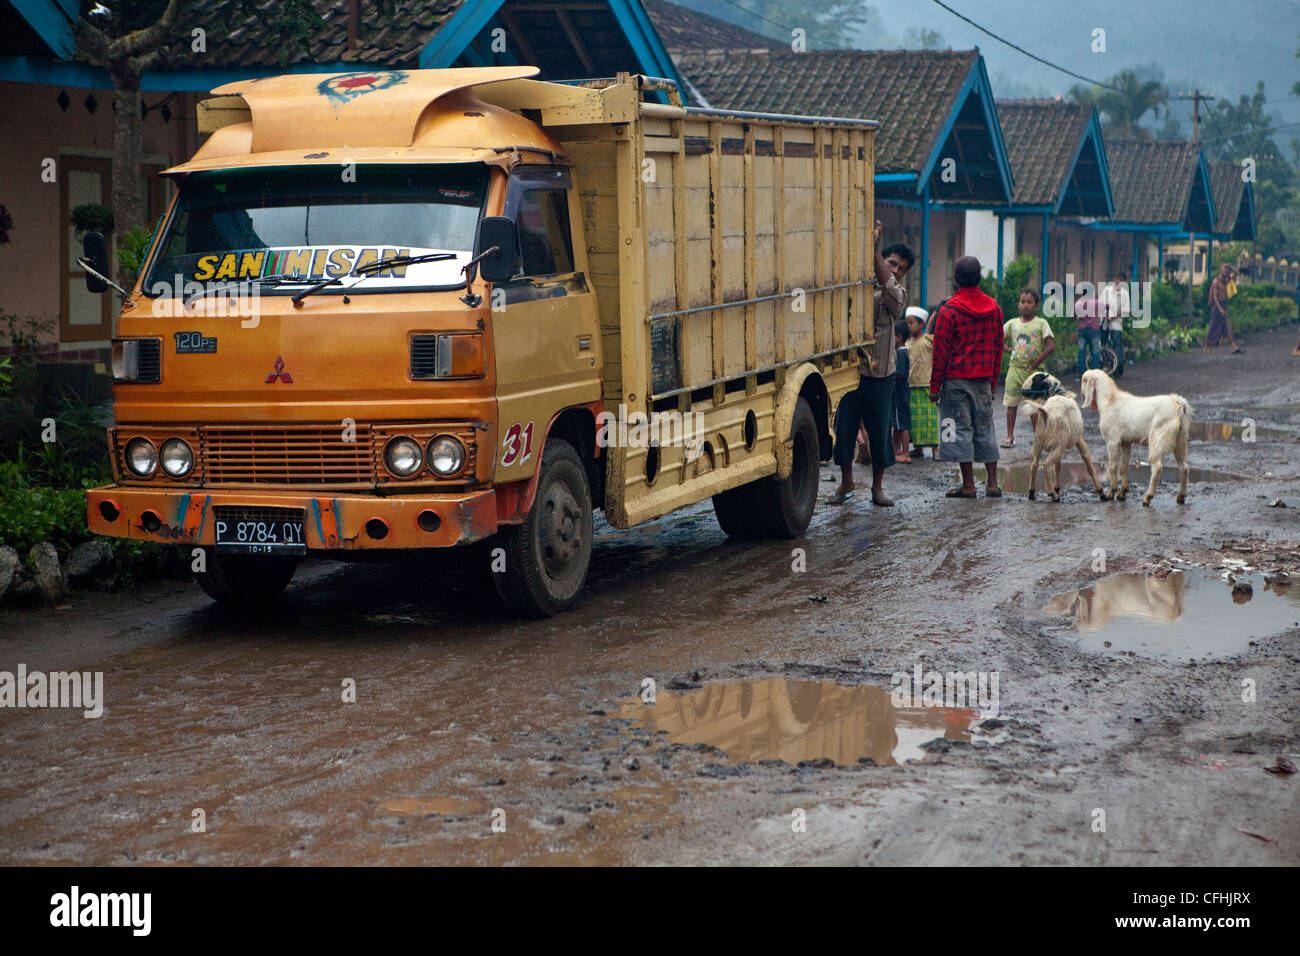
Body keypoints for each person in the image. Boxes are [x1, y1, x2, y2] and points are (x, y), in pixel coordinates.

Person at [830, 222, 913, 506]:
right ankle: (846, 482)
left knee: (879, 431)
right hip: (850, 370)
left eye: (901, 268)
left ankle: (877, 489)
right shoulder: (855, 283)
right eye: (892, 263)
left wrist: (875, 250)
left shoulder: (896, 294)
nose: (895, 270)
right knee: (844, 428)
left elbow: (891, 290)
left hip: (880, 374)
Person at [930, 255, 1003, 499]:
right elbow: (998, 346)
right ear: (979, 278)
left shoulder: (948, 310)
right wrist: (993, 381)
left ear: (955, 280)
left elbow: (940, 351)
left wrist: (934, 386)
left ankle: (969, 485)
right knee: (985, 428)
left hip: (955, 382)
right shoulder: (994, 308)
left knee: (959, 430)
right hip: (983, 381)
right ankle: (992, 484)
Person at [1000, 287, 1055, 448]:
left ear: (1036, 305)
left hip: (1034, 373)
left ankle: (1039, 438)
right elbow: (997, 337)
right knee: (1011, 404)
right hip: (1014, 370)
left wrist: (1037, 362)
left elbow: (1050, 346)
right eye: (1022, 302)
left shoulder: (1041, 324)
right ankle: (1010, 437)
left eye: (1029, 302)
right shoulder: (1012, 324)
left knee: (1034, 405)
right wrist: (1008, 349)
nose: (1025, 305)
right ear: (1018, 304)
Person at [904, 305, 938, 458]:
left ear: (922, 324)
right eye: (907, 323)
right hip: (911, 385)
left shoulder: (928, 341)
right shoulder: (906, 344)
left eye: (911, 323)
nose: (909, 326)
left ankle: (935, 449)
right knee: (914, 420)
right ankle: (918, 448)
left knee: (929, 418)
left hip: (925, 384)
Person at [1205, 264, 1243, 353]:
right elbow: (1214, 297)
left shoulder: (1226, 280)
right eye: (1224, 270)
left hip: (1223, 304)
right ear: (1220, 271)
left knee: (1228, 326)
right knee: (1213, 327)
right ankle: (1206, 346)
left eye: (1227, 271)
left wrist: (1231, 267)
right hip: (1217, 306)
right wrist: (1220, 309)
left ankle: (1233, 346)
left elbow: (1237, 273)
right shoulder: (1216, 282)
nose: (1225, 272)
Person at [1099, 271, 1129, 377]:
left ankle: (1118, 368)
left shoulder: (1124, 294)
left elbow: (1125, 311)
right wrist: (1104, 316)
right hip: (1104, 322)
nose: (1117, 281)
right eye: (1116, 279)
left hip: (1116, 324)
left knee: (1117, 345)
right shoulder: (1107, 291)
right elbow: (1100, 304)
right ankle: (1103, 366)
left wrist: (1112, 317)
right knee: (1102, 344)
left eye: (1120, 280)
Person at [892, 320, 912, 464]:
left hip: (899, 395)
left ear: (898, 337)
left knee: (902, 425)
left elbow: (899, 373)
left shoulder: (900, 354)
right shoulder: (902, 352)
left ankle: (905, 453)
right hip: (901, 394)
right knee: (898, 425)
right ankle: (895, 451)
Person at [1074, 284, 1101, 375]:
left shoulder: (1078, 303)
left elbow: (1072, 316)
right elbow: (1107, 306)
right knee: (1095, 351)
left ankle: (1081, 373)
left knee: (1081, 351)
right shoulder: (1096, 303)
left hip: (1082, 330)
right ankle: (1095, 373)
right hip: (1093, 329)